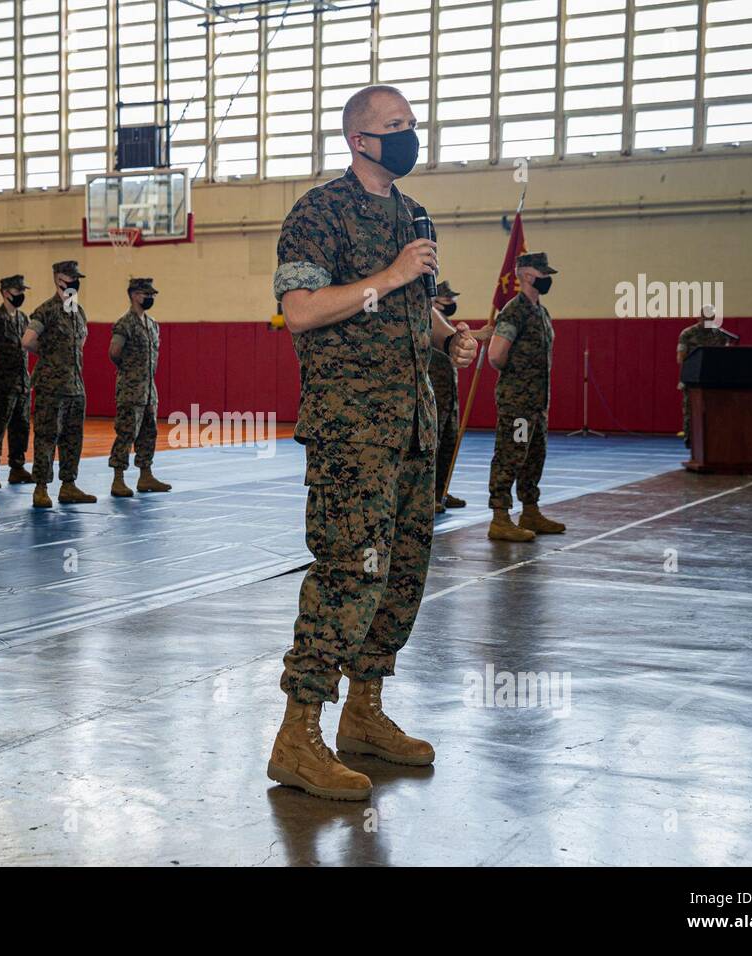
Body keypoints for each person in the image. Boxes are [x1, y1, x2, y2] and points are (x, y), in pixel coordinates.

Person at [267, 84, 477, 801]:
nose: (410, 135)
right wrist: (387, 277)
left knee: (404, 572)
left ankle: (365, 713)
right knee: (350, 572)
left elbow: (418, 301)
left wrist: (451, 338)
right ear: (359, 140)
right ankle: (298, 735)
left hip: (415, 425)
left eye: (414, 124)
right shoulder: (318, 213)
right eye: (395, 126)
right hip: (352, 429)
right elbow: (300, 311)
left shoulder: (415, 214)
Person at [486, 252, 565, 541]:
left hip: (537, 402)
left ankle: (530, 510)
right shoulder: (515, 311)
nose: (547, 279)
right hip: (517, 402)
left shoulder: (541, 312)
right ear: (527, 275)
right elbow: (495, 355)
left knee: (534, 456)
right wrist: (516, 377)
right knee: (511, 455)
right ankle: (500, 518)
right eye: (543, 274)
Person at [22, 260, 97, 508]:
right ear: (57, 279)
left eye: (76, 278)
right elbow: (27, 340)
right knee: (46, 437)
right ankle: (41, 488)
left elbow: (82, 341)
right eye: (69, 277)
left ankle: (68, 485)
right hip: (51, 387)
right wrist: (49, 354)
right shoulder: (46, 310)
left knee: (73, 438)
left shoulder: (79, 311)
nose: (74, 282)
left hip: (75, 386)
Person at [429, 280, 494, 513]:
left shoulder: (445, 321)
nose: (452, 303)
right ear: (436, 300)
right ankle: (430, 496)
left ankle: (442, 491)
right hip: (435, 393)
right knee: (434, 445)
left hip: (449, 393)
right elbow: (448, 338)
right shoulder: (430, 318)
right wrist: (480, 333)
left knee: (449, 442)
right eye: (448, 299)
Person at [108, 277, 171, 497]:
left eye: (152, 295)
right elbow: (114, 352)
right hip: (131, 388)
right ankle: (118, 478)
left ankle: (146, 475)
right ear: (135, 295)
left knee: (149, 433)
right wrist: (130, 372)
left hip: (149, 389)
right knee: (126, 432)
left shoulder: (152, 324)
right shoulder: (125, 323)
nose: (151, 298)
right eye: (147, 294)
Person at [0, 275, 34, 489]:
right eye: (17, 291)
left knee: (21, 426)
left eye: (22, 291)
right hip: (1, 384)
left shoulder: (23, 318)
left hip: (21, 382)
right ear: (5, 292)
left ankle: (17, 467)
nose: (21, 295)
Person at [676, 307, 733, 445]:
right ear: (698, 318)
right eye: (705, 318)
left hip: (713, 379)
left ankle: (714, 440)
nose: (708, 320)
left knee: (714, 411)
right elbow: (680, 358)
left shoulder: (720, 334)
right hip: (693, 379)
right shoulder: (688, 333)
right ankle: (690, 440)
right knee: (690, 411)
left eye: (711, 318)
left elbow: (726, 356)